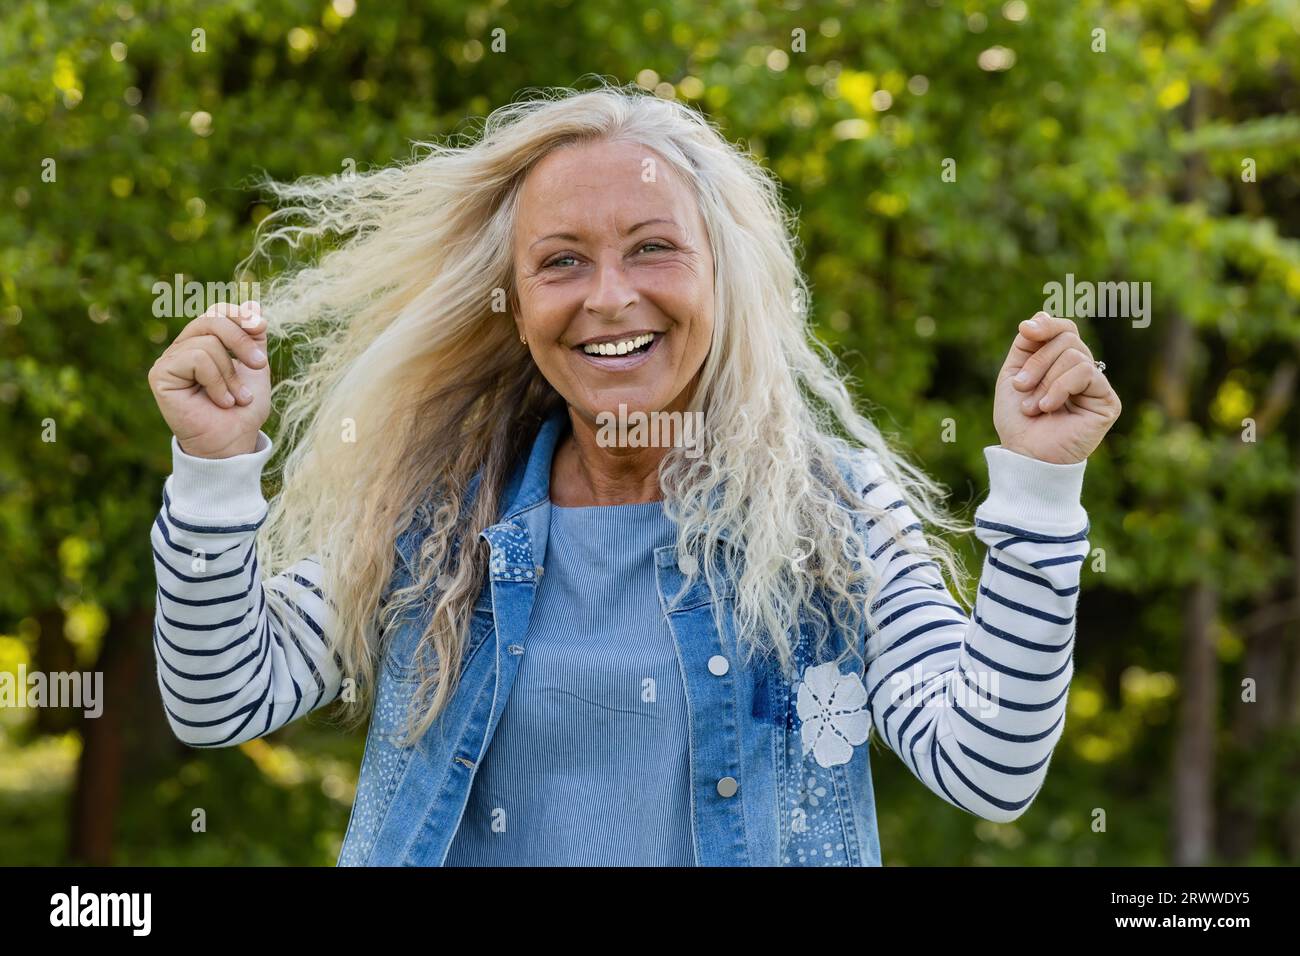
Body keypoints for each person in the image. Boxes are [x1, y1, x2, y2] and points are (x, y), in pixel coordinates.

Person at [146, 82, 1121, 866]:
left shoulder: (833, 509)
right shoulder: (441, 512)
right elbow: (221, 696)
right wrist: (213, 468)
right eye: (561, 261)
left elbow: (987, 766)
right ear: (517, 305)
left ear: (719, 278)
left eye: (652, 248)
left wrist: (1037, 489)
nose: (610, 297)